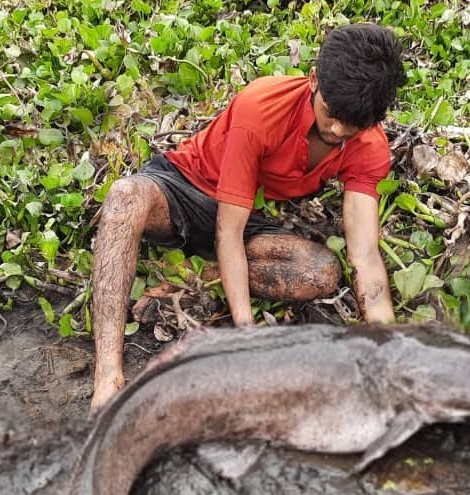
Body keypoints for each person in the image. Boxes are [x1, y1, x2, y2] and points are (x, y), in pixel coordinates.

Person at [88, 23, 406, 409]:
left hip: (251, 216)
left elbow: (365, 255)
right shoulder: (262, 106)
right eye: (331, 112)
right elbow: (227, 231)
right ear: (313, 80)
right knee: (124, 197)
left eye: (352, 125)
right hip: (184, 189)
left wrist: (389, 349)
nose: (337, 129)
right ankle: (108, 378)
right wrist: (246, 337)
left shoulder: (369, 147)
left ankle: (199, 275)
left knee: (321, 272)